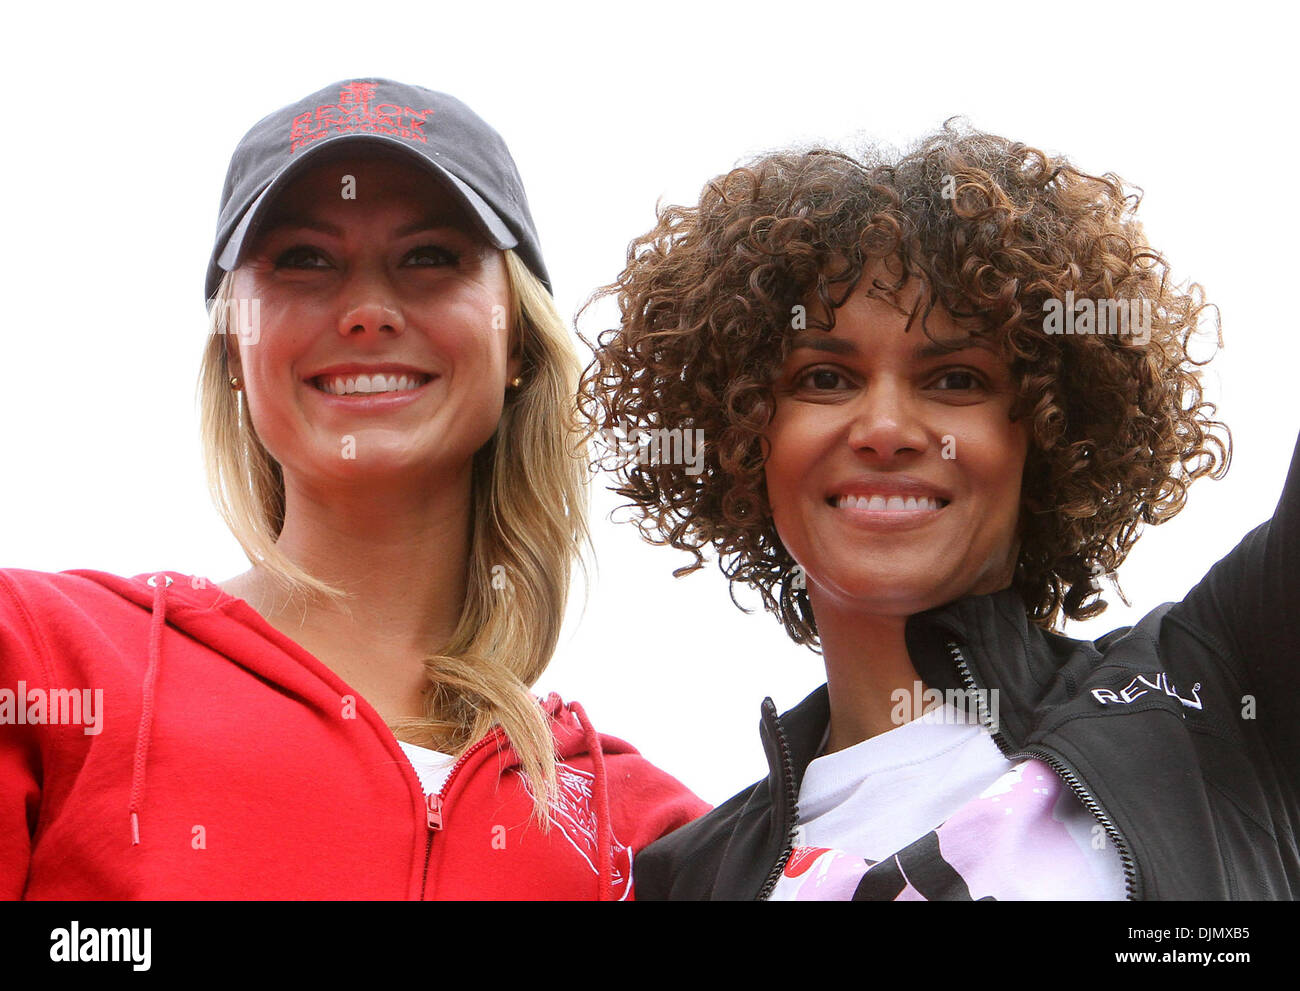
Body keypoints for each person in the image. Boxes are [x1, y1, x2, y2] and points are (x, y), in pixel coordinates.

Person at [0, 78, 705, 900]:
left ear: (516, 341)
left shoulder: (652, 838)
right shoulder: (41, 663)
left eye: (430, 256)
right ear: (234, 350)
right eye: (304, 259)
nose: (368, 310)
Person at [580, 124, 1299, 899]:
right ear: (746, 434)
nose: (885, 429)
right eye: (825, 378)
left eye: (956, 380)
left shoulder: (1216, 682)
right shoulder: (683, 879)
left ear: (1052, 432)